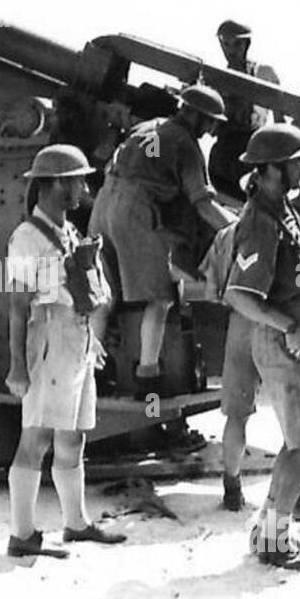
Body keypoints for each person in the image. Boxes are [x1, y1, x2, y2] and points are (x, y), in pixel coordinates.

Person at [222, 124, 300, 567]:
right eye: (298, 160)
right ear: (272, 169)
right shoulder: (260, 221)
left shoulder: (281, 211)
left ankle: (270, 530)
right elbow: (239, 294)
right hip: (287, 340)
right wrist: (288, 328)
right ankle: (274, 540)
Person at [4, 145, 127, 558]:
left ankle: (76, 523)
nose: (83, 187)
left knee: (73, 438)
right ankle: (22, 535)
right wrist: (17, 367)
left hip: (77, 343)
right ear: (54, 183)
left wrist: (93, 343)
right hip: (50, 341)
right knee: (35, 439)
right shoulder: (27, 238)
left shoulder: (68, 232)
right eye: (76, 179)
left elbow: (87, 292)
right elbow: (18, 307)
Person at [90, 84, 238, 399]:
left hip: (103, 206)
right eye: (211, 121)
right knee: (161, 298)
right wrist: (241, 228)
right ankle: (148, 378)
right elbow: (203, 204)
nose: (212, 130)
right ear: (198, 117)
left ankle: (90, 373)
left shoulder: (148, 127)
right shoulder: (185, 144)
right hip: (137, 212)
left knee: (104, 295)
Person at [208, 19, 284, 206]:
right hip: (223, 156)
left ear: (246, 44)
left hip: (253, 152)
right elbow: (210, 127)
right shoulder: (217, 78)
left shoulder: (263, 74)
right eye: (225, 44)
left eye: (236, 44)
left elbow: (280, 120)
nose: (230, 50)